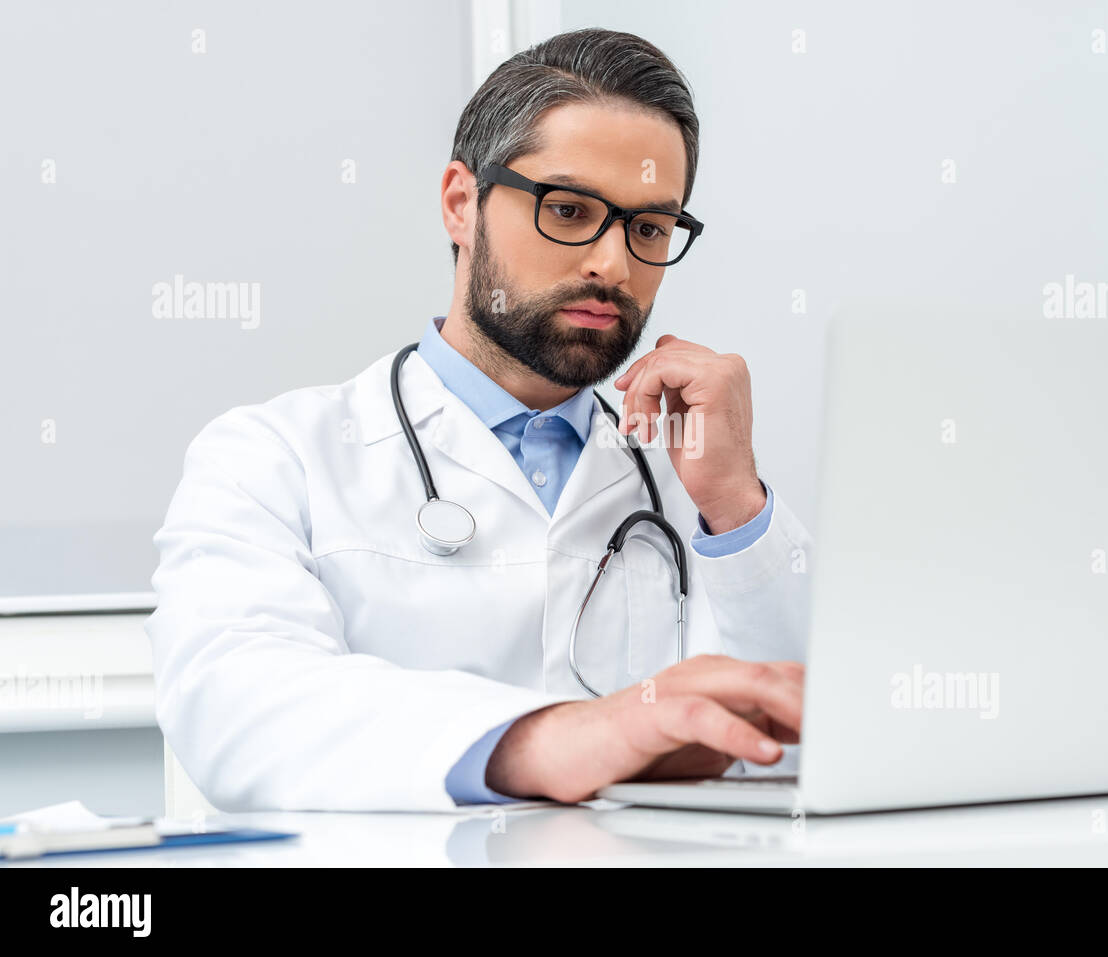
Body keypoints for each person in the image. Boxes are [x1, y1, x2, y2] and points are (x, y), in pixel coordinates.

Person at [146, 27, 812, 811]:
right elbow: (239, 703)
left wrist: (738, 507)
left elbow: (806, 735)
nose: (613, 264)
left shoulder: (693, 486)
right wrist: (559, 737)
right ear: (461, 204)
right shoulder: (272, 459)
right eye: (569, 209)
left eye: (649, 227)